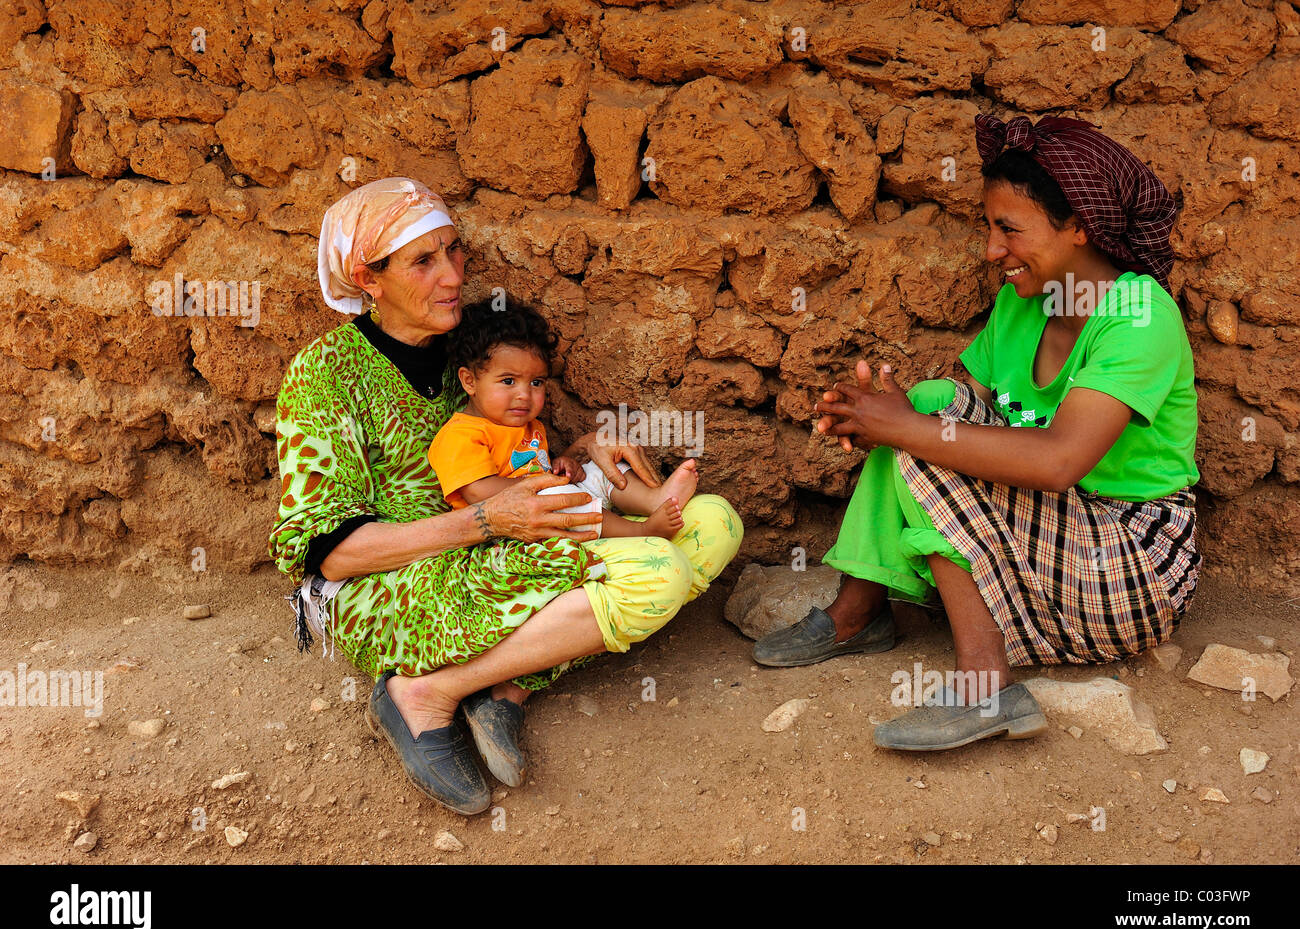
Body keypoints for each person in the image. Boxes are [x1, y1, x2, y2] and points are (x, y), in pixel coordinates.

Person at [270, 177, 742, 814]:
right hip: (396, 580)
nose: (452, 275)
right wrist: (489, 520)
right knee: (657, 572)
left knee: (713, 522)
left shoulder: (471, 346)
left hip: (501, 546)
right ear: (367, 278)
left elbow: (516, 455)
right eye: (424, 260)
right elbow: (328, 556)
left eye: (454, 251)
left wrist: (580, 455)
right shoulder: (325, 374)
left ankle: (505, 684)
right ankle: (424, 694)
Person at [752, 114, 1201, 752]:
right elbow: (959, 404)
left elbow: (1057, 463)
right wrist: (886, 412)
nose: (993, 251)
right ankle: (863, 609)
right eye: (990, 228)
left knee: (928, 442)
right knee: (932, 408)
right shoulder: (1025, 300)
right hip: (1053, 534)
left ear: (1079, 225)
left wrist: (908, 429)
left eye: (1009, 229)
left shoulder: (1139, 315)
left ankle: (983, 685)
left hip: (1133, 562)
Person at [428, 303, 699, 539]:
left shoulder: (528, 427)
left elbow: (538, 466)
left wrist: (561, 466)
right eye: (508, 381)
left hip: (550, 497)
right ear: (469, 381)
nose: (524, 394)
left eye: (536, 382)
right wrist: (549, 484)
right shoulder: (460, 435)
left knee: (599, 467)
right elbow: (480, 492)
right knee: (550, 499)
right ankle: (640, 532)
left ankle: (653, 500)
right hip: (511, 529)